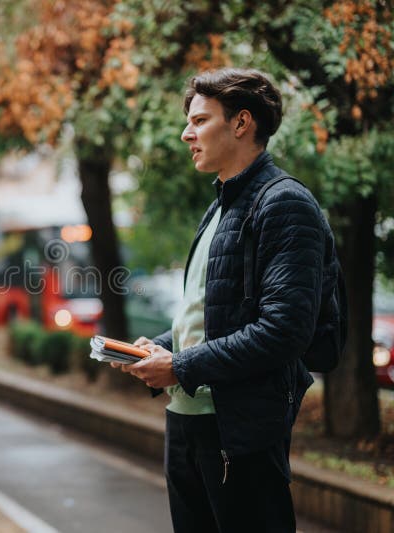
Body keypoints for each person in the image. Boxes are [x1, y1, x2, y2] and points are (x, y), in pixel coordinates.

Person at [111, 68, 339, 532]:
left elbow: (284, 331)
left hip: (238, 432)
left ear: (241, 123)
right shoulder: (221, 205)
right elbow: (210, 316)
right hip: (187, 422)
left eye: (199, 120)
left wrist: (180, 366)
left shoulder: (283, 203)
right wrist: (160, 348)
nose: (185, 133)